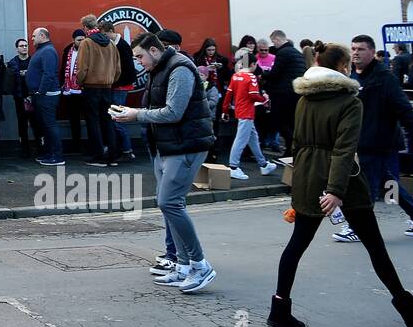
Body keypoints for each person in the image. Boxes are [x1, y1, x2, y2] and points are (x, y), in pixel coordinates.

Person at [267, 43, 413, 327]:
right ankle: (408, 307)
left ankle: (279, 308)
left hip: (308, 175)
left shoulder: (304, 99)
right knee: (375, 246)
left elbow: (297, 144)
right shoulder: (349, 101)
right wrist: (335, 190)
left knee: (296, 245)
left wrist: (301, 182)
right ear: (342, 67)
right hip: (344, 180)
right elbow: (343, 149)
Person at [112, 33, 217, 293]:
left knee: (169, 202)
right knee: (169, 204)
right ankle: (183, 266)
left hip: (186, 145)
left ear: (154, 51)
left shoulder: (179, 68)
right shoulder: (160, 68)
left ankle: (200, 265)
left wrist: (136, 115)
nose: (138, 63)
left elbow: (173, 111)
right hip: (169, 146)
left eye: (139, 56)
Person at [339, 35, 413, 241]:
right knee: (389, 182)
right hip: (362, 140)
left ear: (372, 52)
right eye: (353, 48)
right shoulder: (353, 76)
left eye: (361, 49)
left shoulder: (384, 78)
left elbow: (404, 109)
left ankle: (358, 228)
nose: (355, 53)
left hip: (380, 142)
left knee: (367, 187)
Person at [223, 48, 277, 180]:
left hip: (240, 110)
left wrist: (224, 110)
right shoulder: (251, 77)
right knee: (241, 140)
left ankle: (263, 164)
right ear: (253, 64)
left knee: (253, 138)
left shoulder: (235, 76)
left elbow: (228, 94)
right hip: (247, 112)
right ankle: (233, 167)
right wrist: (264, 99)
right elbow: (253, 95)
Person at [76, 14, 121, 167]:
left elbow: (82, 68)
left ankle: (98, 156)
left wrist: (80, 81)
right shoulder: (111, 43)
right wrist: (109, 81)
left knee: (93, 121)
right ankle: (112, 156)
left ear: (85, 27)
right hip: (107, 87)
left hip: (91, 87)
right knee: (107, 120)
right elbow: (118, 69)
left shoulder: (86, 43)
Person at [24, 28, 63, 166]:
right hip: (42, 95)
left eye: (34, 36)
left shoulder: (48, 51)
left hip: (47, 95)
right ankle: (49, 153)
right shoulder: (43, 51)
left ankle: (57, 156)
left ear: (42, 36)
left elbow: (49, 73)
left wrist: (41, 91)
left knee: (50, 125)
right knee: (46, 126)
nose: (32, 38)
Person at [264, 30, 306, 157]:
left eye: (273, 42)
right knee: (292, 123)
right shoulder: (297, 53)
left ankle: (290, 149)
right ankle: (293, 150)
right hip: (296, 92)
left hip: (283, 93)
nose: (273, 45)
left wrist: (263, 75)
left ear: (277, 39)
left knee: (281, 122)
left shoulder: (283, 53)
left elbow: (275, 73)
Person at [107, 21, 138, 160]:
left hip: (120, 87)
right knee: (116, 118)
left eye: (104, 34)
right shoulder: (119, 44)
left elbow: (127, 70)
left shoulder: (122, 46)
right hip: (120, 86)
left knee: (117, 119)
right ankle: (124, 149)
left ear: (109, 31)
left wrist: (114, 82)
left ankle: (126, 149)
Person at [59, 29, 85, 154]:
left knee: (89, 118)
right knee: (73, 119)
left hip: (84, 90)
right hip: (69, 90)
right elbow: (63, 68)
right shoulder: (67, 51)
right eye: (79, 40)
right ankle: (76, 144)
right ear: (73, 40)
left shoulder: (88, 51)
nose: (82, 42)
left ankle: (91, 145)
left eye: (83, 39)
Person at [6, 38, 30, 157]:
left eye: (26, 45)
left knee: (36, 122)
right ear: (17, 49)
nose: (24, 47)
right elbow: (10, 80)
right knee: (22, 123)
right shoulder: (13, 62)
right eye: (21, 46)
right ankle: (24, 148)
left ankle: (41, 146)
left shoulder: (33, 61)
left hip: (32, 97)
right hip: (19, 97)